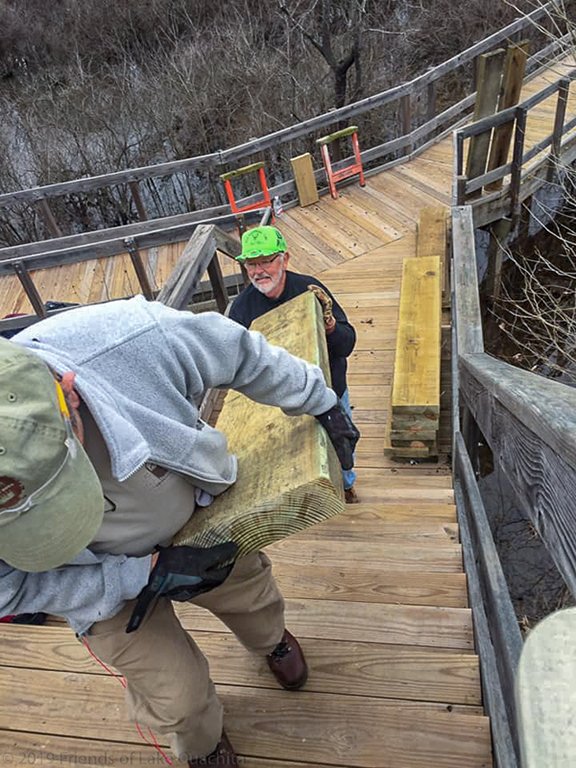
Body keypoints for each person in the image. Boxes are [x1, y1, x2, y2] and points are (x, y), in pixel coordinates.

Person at [0, 296, 359, 767]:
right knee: (178, 698)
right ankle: (204, 746)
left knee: (252, 597)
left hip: (197, 519)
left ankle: (271, 640)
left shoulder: (131, 336)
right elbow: (6, 590)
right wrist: (138, 576)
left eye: (61, 487)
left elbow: (240, 352)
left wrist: (322, 402)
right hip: (91, 587)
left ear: (68, 391)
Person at [229, 225, 360, 503]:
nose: (259, 270)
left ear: (285, 259)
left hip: (329, 386)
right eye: (252, 264)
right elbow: (235, 364)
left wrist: (330, 327)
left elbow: (347, 344)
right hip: (280, 399)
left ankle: (347, 485)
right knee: (297, 448)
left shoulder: (309, 289)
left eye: (267, 260)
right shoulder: (242, 310)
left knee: (342, 444)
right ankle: (308, 496)